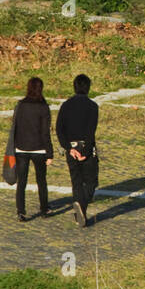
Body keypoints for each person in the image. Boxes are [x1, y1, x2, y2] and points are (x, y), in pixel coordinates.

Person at [56, 73, 99, 227]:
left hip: (71, 147)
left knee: (76, 181)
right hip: (86, 147)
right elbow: (90, 131)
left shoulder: (66, 105)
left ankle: (78, 211)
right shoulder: (93, 106)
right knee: (91, 181)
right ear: (88, 88)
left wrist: (68, 148)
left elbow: (59, 129)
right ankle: (82, 206)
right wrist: (86, 151)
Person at [12, 77, 53, 221]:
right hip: (39, 149)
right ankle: (44, 209)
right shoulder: (43, 107)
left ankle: (21, 211)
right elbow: (45, 132)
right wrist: (50, 153)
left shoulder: (20, 105)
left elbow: (15, 127)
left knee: (21, 181)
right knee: (41, 180)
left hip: (21, 148)